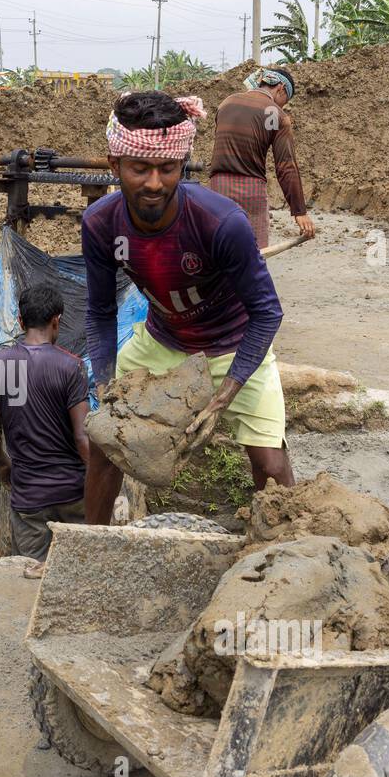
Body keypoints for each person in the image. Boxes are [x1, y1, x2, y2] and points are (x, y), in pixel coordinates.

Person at [84, 90, 293, 525]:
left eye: (167, 169)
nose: (154, 183)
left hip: (233, 343)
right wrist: (105, 384)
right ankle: (89, 544)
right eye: (140, 168)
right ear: (115, 165)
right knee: (105, 443)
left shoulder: (221, 222)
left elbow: (267, 313)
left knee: (271, 464)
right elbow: (100, 312)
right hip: (161, 341)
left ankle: (288, 551)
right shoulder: (101, 223)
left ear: (183, 165)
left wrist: (225, 395)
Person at [0, 284, 89, 569]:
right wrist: (96, 480)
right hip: (73, 493)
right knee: (78, 572)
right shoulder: (71, 366)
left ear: (20, 321)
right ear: (57, 320)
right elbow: (82, 436)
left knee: (27, 577)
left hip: (28, 495)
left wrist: (4, 465)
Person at [208, 67, 314, 248]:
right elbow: (285, 167)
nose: (282, 106)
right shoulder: (274, 113)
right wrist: (299, 211)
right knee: (255, 255)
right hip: (251, 191)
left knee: (219, 250)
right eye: (284, 101)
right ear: (280, 88)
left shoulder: (227, 103)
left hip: (217, 189)